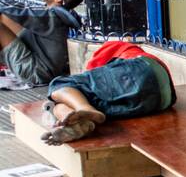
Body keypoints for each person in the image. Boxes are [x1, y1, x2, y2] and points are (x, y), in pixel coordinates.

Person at [40, 40, 176, 145]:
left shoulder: (114, 49)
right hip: (163, 100)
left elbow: (87, 78)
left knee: (60, 84)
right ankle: (75, 125)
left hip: (143, 69)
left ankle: (83, 109)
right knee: (62, 102)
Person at [0, 0, 83, 87]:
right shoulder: (57, 15)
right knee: (4, 17)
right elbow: (12, 9)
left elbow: (11, 8)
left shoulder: (53, 17)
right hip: (42, 67)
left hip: (36, 73)